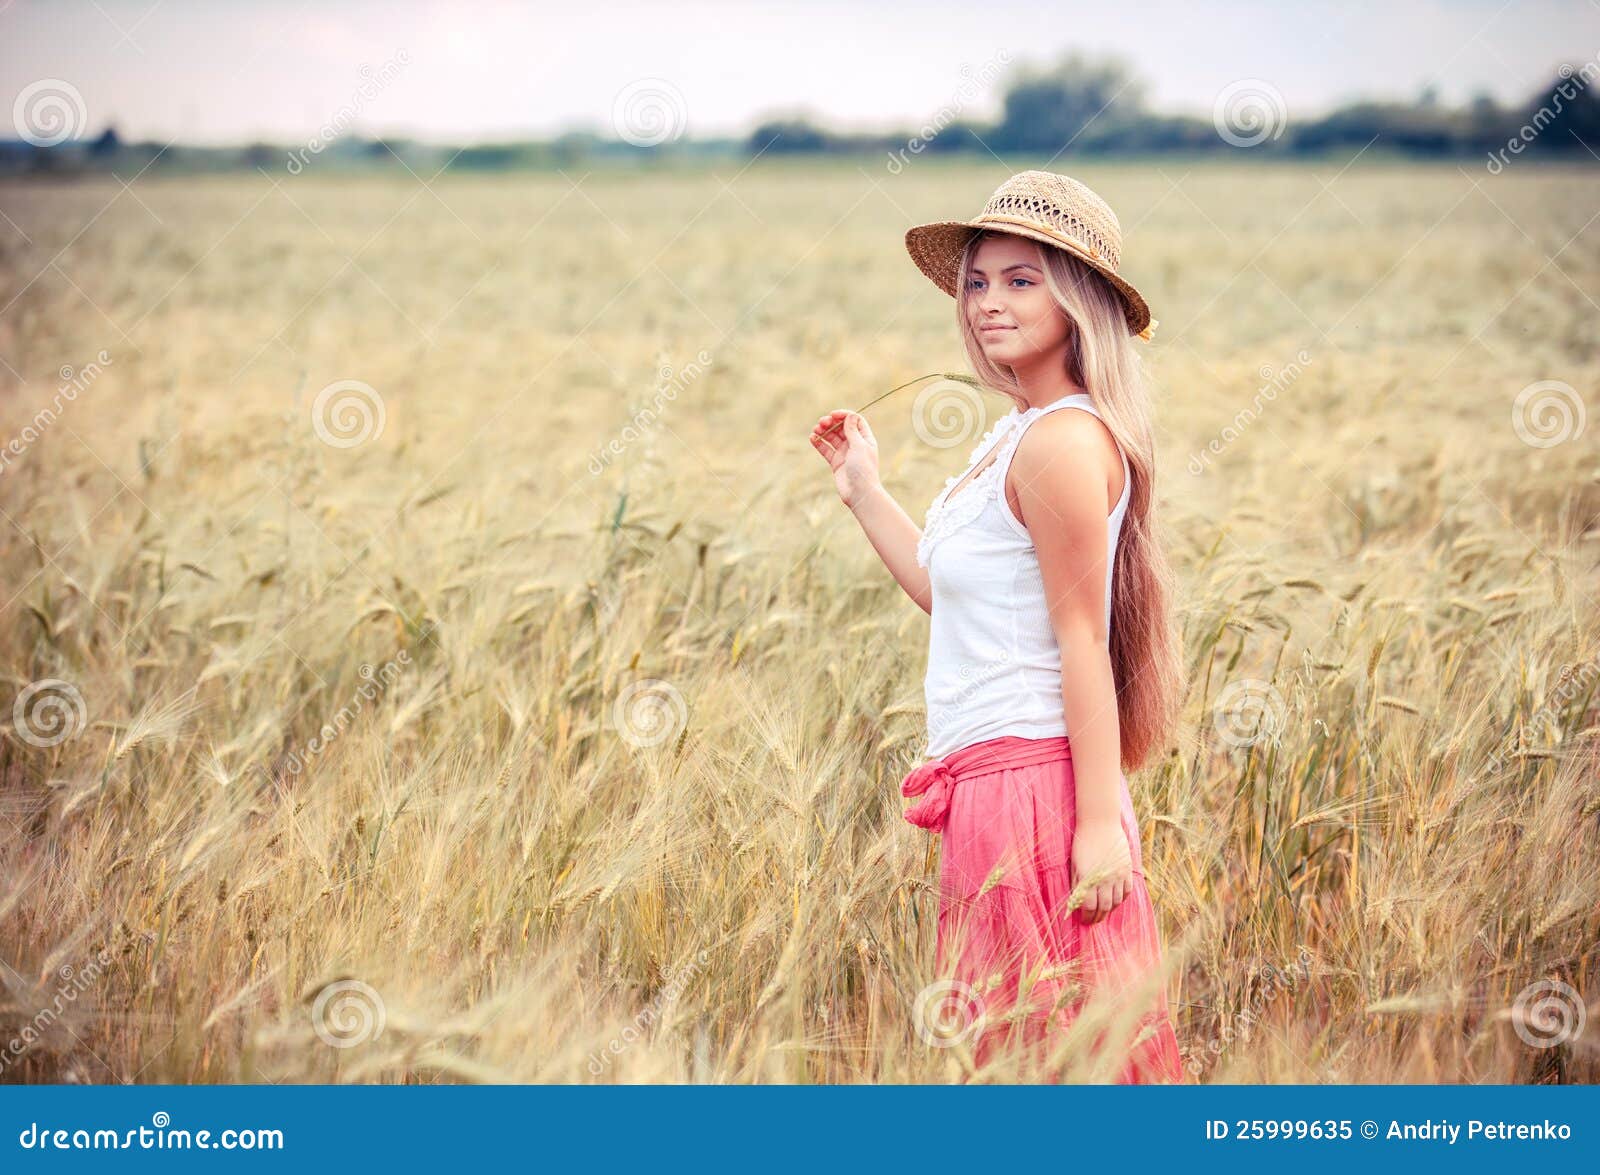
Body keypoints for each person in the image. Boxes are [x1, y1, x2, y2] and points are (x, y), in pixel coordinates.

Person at [809, 170, 1185, 1082]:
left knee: (1055, 1063)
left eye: (1021, 281)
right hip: (989, 789)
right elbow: (955, 596)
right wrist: (864, 491)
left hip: (1036, 790)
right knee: (1016, 1063)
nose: (988, 303)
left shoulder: (1061, 441)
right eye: (977, 282)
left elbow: (1083, 639)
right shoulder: (1017, 433)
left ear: (1079, 298)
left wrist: (1096, 824)